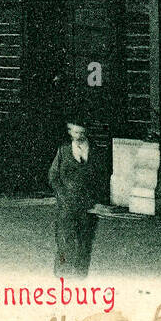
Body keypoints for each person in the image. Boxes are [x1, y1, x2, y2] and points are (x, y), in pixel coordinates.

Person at [49, 116, 101, 279]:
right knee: (65, 243)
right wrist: (62, 195)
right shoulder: (63, 151)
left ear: (86, 132)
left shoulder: (96, 151)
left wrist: (96, 199)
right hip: (66, 205)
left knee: (85, 244)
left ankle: (80, 280)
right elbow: (53, 176)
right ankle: (61, 279)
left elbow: (101, 176)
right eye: (73, 131)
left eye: (80, 131)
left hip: (88, 207)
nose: (76, 135)